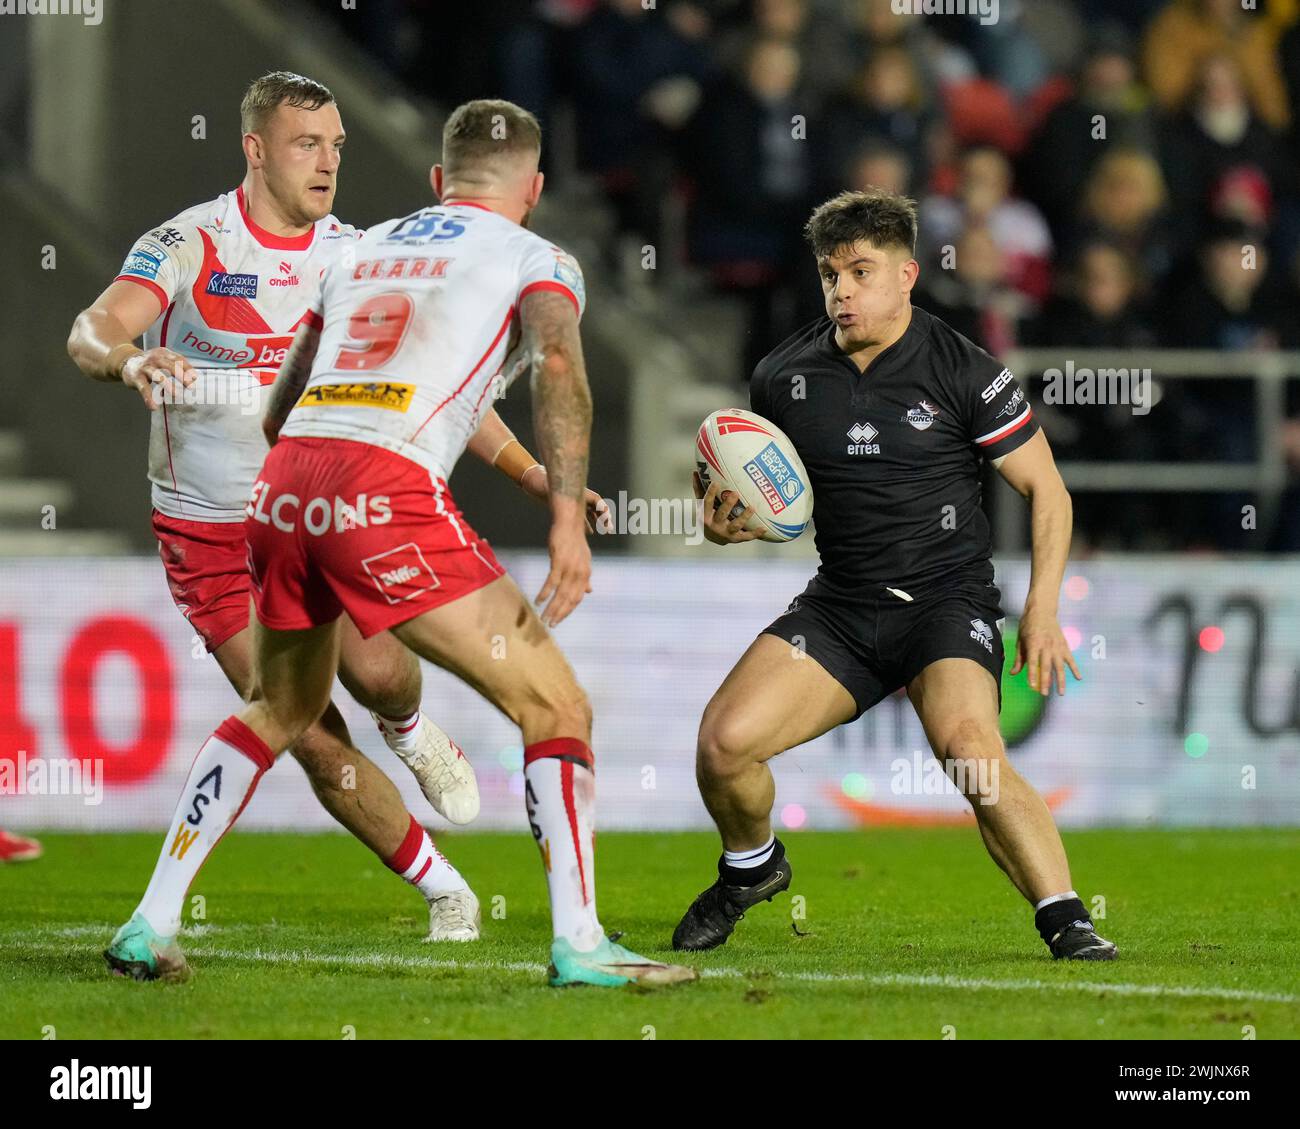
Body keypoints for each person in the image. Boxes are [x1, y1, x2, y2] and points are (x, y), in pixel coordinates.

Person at [104, 98, 695, 990]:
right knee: (557, 707)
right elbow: (562, 369)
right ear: (534, 188)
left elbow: (287, 394)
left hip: (284, 481)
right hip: (386, 489)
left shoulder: (361, 246)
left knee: (282, 708)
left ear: (436, 181)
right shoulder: (537, 257)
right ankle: (580, 943)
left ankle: (149, 922)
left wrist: (305, 494)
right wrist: (567, 516)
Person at [68, 72, 491, 950]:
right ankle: (446, 888)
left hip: (315, 516)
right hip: (210, 536)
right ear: (255, 149)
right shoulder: (190, 242)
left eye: (337, 143)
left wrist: (528, 471)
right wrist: (130, 361)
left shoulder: (354, 255)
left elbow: (439, 372)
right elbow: (94, 328)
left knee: (380, 678)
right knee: (301, 727)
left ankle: (410, 729)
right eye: (308, 143)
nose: (330, 160)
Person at [673, 188, 1117, 962]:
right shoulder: (782, 377)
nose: (841, 291)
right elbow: (750, 501)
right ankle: (751, 868)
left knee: (972, 747)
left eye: (860, 272)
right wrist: (721, 525)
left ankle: (1066, 919)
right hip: (842, 609)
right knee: (723, 744)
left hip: (945, 605)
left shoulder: (963, 369)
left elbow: (1048, 488)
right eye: (829, 275)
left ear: (907, 275)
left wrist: (1041, 610)